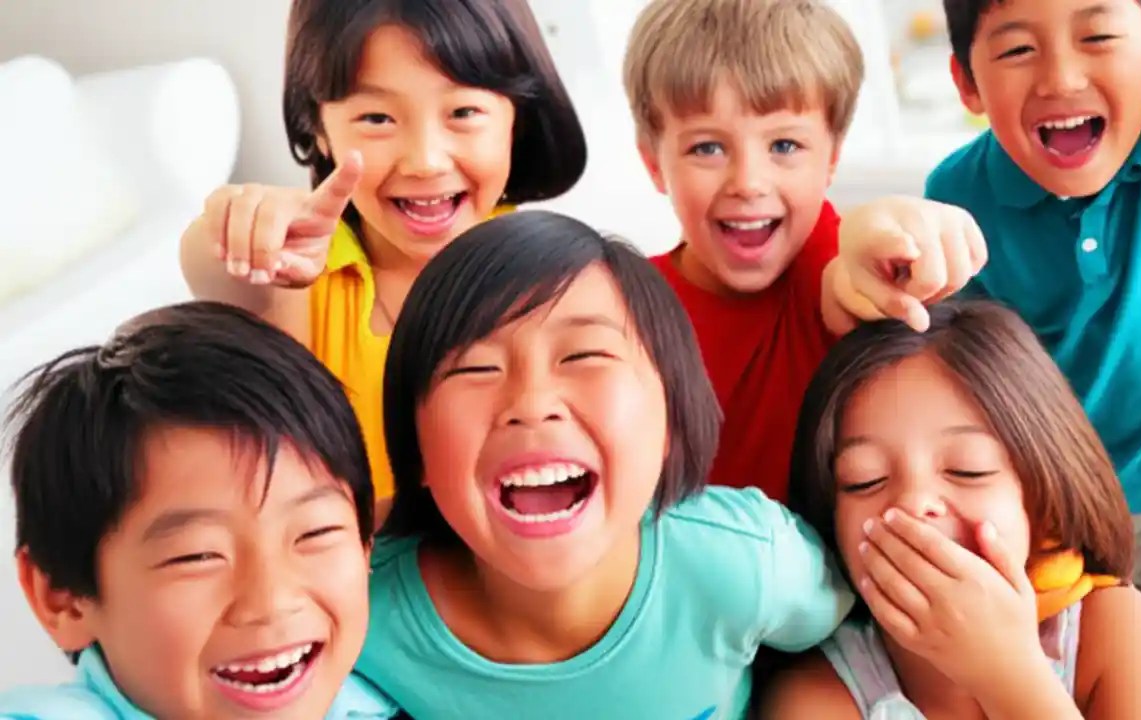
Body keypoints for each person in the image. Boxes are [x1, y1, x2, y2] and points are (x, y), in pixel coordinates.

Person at [828, 3, 1141, 715]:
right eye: (1015, 51)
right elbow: (946, 360)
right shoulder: (958, 195)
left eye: (1097, 36)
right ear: (967, 85)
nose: (1061, 75)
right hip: (1054, 520)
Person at [353, 210, 853, 719]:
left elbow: (862, 652)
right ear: (416, 449)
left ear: (671, 418)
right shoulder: (356, 612)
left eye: (584, 356)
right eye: (477, 368)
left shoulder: (750, 563)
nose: (532, 402)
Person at [179, 0, 587, 507]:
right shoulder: (306, 278)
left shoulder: (560, 279)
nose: (424, 161)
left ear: (517, 120)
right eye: (376, 118)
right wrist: (240, 225)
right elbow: (219, 271)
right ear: (318, 130)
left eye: (463, 112)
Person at [622, 0, 988, 502]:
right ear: (654, 164)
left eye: (785, 146)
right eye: (707, 148)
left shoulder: (831, 267)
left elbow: (853, 275)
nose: (748, 182)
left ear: (832, 158)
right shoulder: (623, 306)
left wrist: (900, 230)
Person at [765, 300, 1141, 719]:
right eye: (865, 480)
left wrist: (1006, 673)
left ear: (1044, 502)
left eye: (967, 469)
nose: (913, 504)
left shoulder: (1122, 635)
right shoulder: (814, 697)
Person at [0, 302, 398, 719]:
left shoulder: (390, 699)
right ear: (63, 599)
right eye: (198, 556)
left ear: (366, 542)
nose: (272, 601)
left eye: (314, 533)